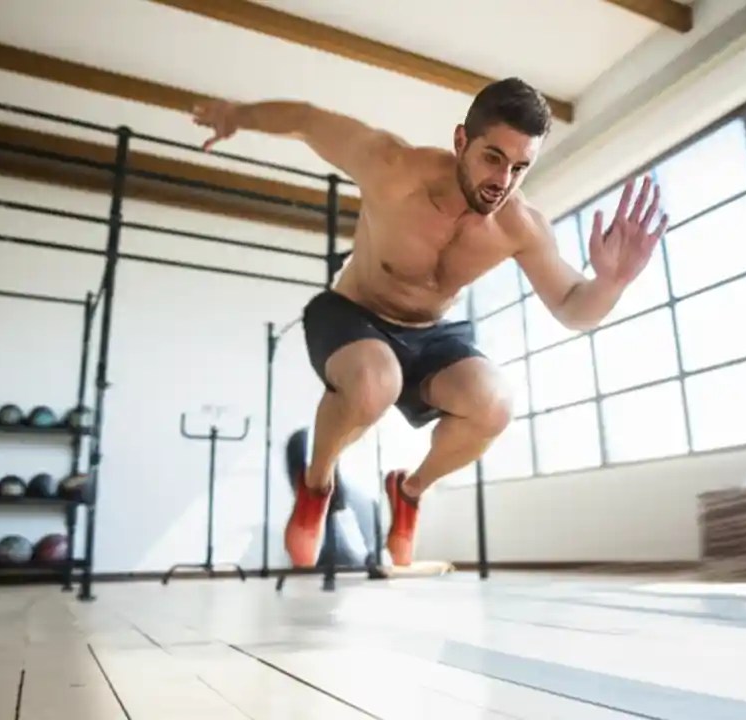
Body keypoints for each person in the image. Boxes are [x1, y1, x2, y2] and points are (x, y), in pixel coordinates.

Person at [191, 78, 667, 568]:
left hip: (429, 335)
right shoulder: (393, 168)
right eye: (493, 158)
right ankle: (316, 485)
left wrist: (611, 282)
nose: (503, 181)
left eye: (520, 167)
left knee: (493, 404)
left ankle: (409, 491)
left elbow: (571, 306)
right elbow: (307, 119)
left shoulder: (519, 226)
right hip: (353, 315)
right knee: (376, 382)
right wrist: (237, 115)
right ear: (461, 141)